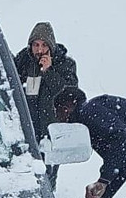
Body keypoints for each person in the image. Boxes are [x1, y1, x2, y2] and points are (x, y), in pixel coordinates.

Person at [13, 22, 78, 187]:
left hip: (52, 131)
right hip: (26, 129)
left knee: (48, 177)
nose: (39, 50)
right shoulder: (22, 61)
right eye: (36, 45)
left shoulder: (65, 64)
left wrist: (48, 71)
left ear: (51, 45)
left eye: (43, 45)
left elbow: (68, 94)